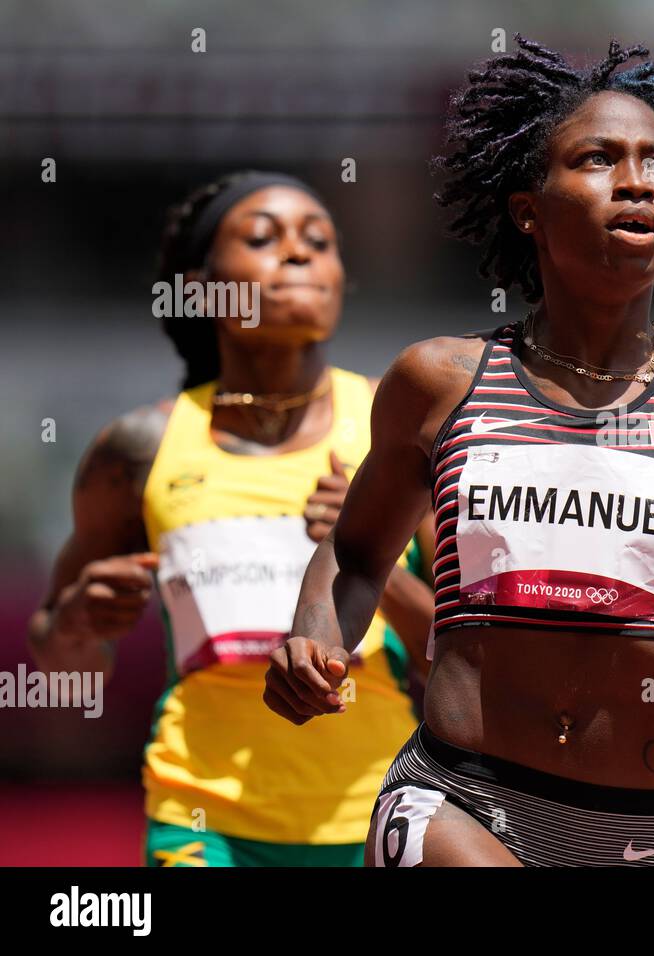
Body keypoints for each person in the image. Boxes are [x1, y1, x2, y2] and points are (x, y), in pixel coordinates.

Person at [262, 36, 654, 867]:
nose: (636, 183)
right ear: (529, 208)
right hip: (459, 796)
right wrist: (314, 640)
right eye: (598, 159)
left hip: (644, 836)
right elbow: (356, 551)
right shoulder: (438, 381)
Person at [27, 171, 435, 867]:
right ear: (201, 286)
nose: (300, 254)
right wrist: (75, 622)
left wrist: (367, 556)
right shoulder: (140, 449)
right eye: (262, 238)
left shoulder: (396, 433)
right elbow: (58, 653)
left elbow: (466, 658)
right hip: (200, 821)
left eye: (320, 241)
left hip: (376, 819)